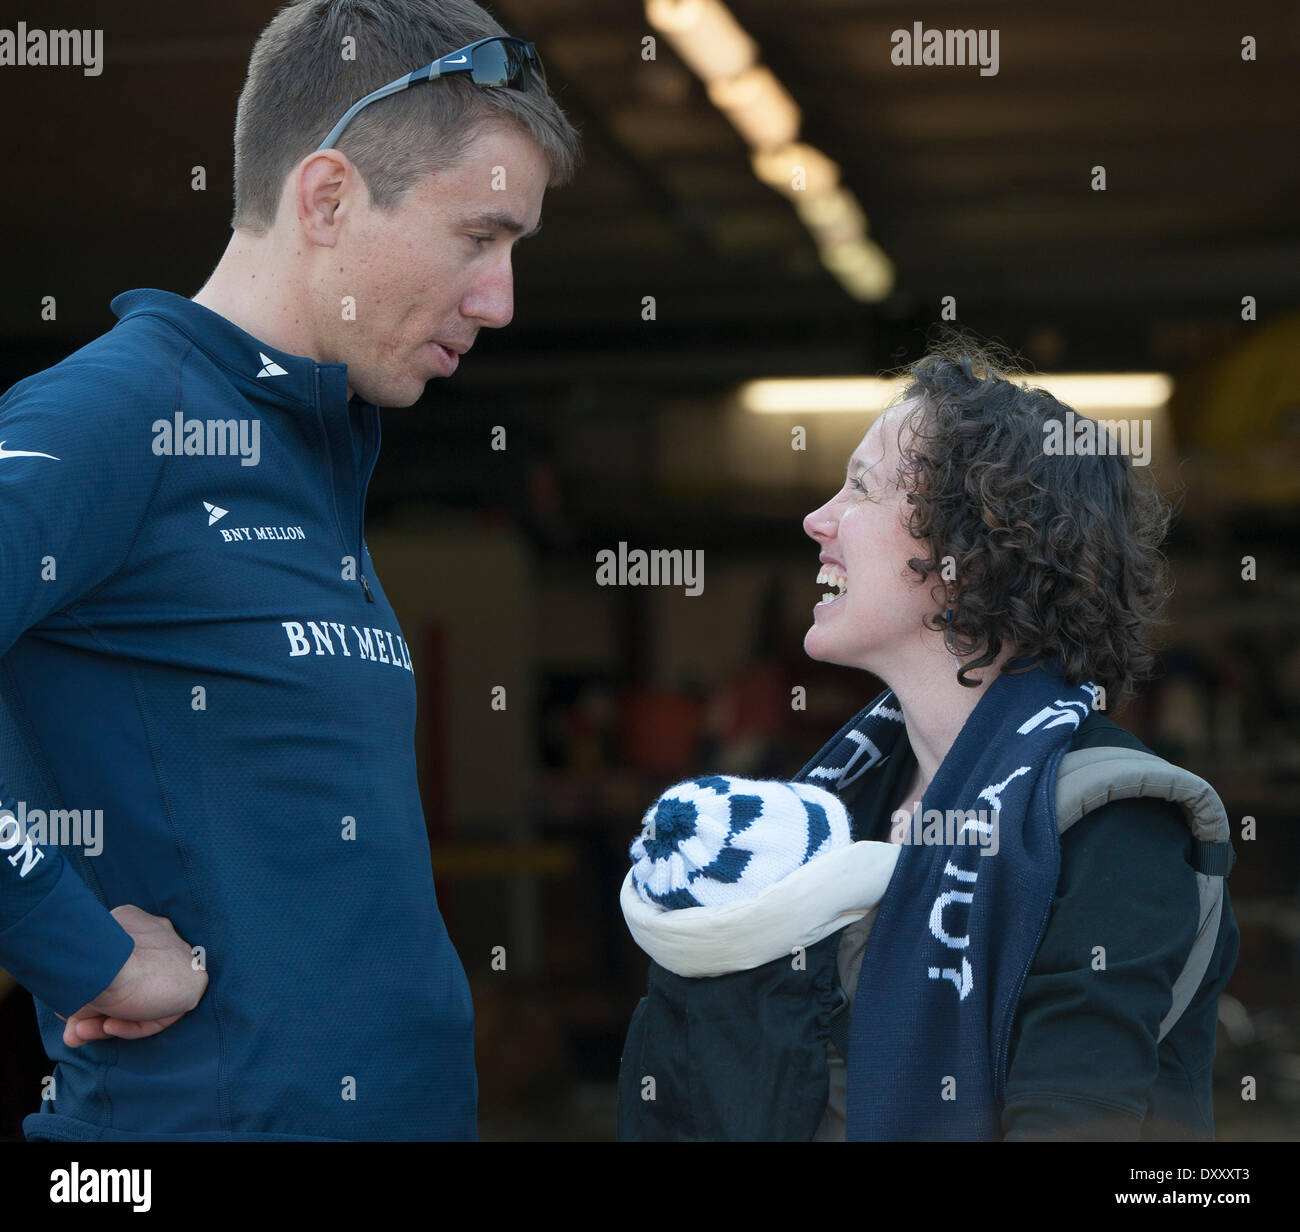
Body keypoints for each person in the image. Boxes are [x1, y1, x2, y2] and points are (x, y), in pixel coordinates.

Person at [0, 0, 579, 1141]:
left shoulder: (312, 442)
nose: (500, 300)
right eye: (479, 236)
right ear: (325, 197)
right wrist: (80, 945)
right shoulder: (116, 414)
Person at [617, 344, 1239, 1140]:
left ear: (972, 555)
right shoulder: (826, 808)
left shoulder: (1115, 822)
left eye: (861, 488)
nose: (818, 518)